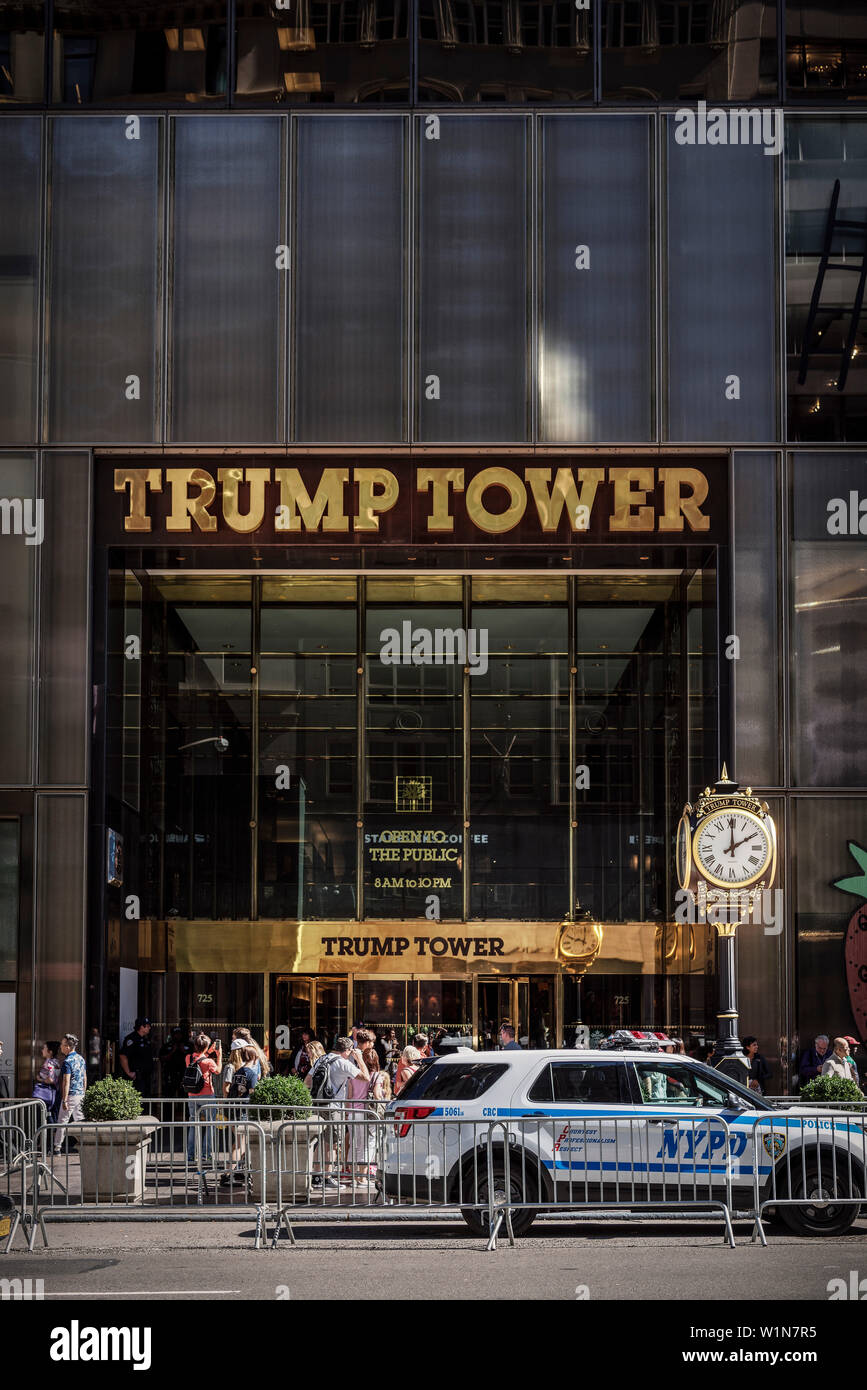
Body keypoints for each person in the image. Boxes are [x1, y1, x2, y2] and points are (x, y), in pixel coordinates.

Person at [184, 1032, 221, 1167]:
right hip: (207, 1094)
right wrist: (219, 1055)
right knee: (210, 1124)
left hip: (192, 1095)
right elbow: (218, 1071)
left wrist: (207, 1050)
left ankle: (190, 1155)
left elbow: (199, 1058)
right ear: (206, 1048)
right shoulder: (209, 1061)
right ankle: (206, 1154)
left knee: (193, 1124)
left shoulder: (189, 1058)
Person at [53, 1034, 87, 1155]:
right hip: (80, 1094)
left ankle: (57, 1148)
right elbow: (84, 1077)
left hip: (71, 1094)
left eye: (62, 1045)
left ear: (67, 1047)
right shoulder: (81, 1059)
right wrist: (83, 1091)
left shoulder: (67, 1061)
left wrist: (64, 1099)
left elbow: (66, 1081)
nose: (61, 1047)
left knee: (62, 1121)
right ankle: (86, 1143)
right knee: (81, 1120)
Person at [119, 1017, 154, 1097]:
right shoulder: (132, 1039)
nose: (149, 1028)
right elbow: (123, 1056)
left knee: (145, 1102)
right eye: (147, 1026)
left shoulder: (145, 1040)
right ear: (141, 1027)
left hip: (146, 1077)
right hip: (136, 1078)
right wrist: (128, 1072)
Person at [158, 1026, 188, 1098]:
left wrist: (183, 1050)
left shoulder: (187, 1045)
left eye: (179, 1034)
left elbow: (192, 1058)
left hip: (183, 1073)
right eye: (176, 1034)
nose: (178, 1036)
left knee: (183, 1095)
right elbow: (162, 1058)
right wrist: (172, 1051)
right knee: (169, 1094)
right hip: (170, 1074)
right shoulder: (167, 1046)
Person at [32, 1041, 61, 1113]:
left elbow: (51, 1079)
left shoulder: (50, 1063)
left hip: (47, 1092)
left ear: (50, 1052)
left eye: (44, 1048)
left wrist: (40, 1079)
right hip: (53, 1092)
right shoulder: (55, 1062)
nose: (42, 1050)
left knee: (47, 1114)